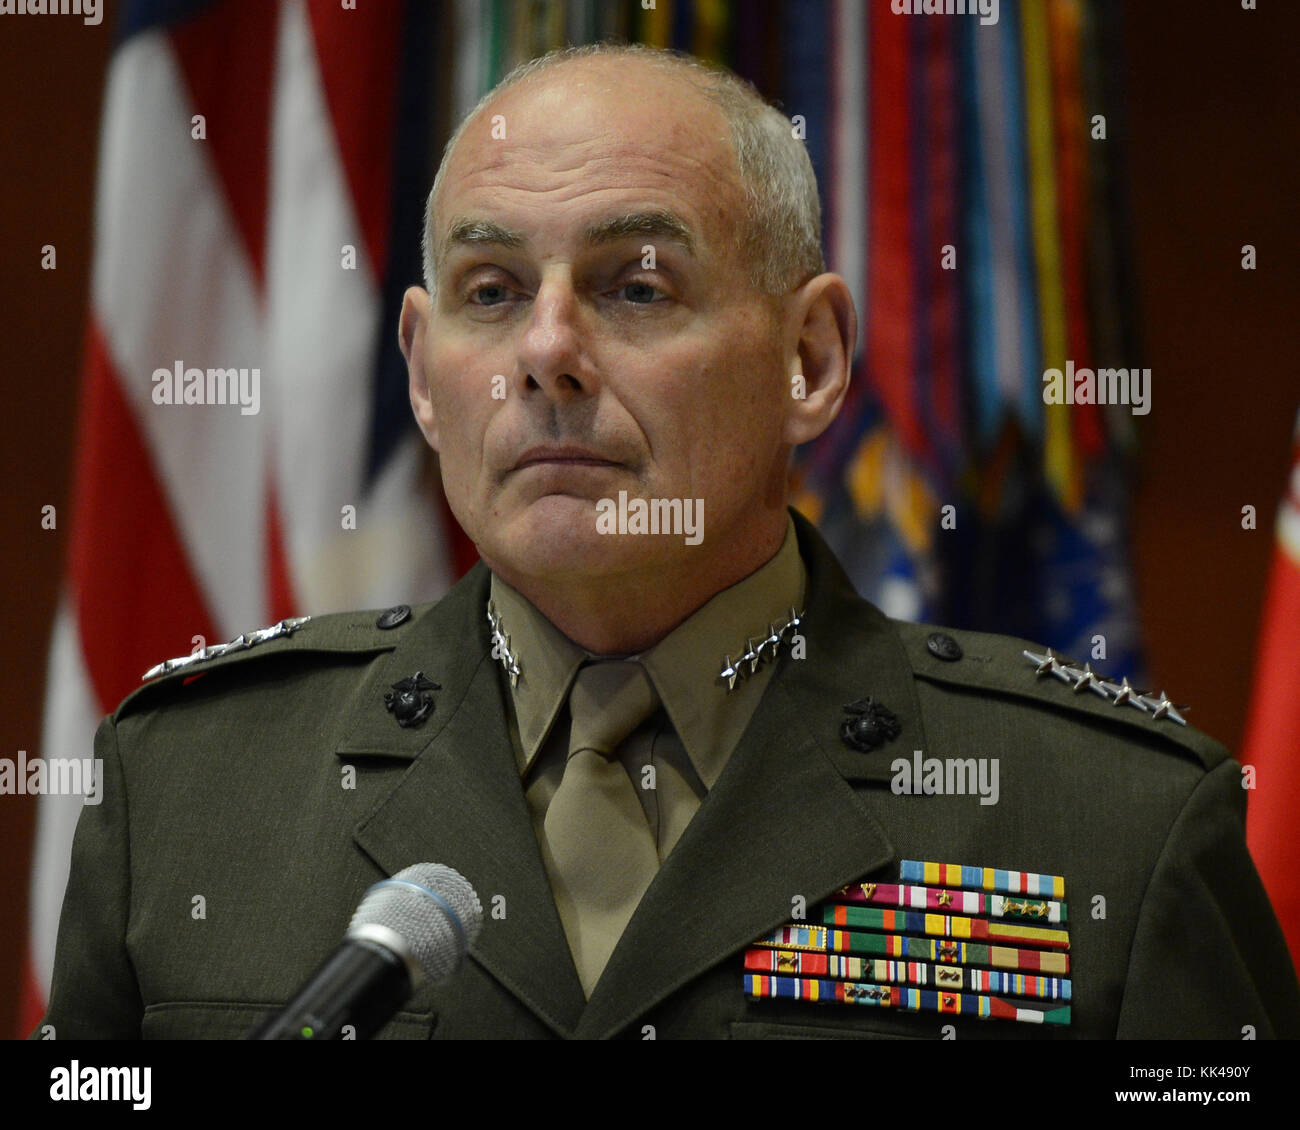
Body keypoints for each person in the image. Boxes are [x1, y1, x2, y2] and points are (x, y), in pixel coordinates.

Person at [36, 43, 1299, 1040]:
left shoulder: (1106, 826)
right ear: (420, 373)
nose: (545, 352)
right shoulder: (192, 794)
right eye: (490, 292)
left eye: (635, 285)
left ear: (808, 361)